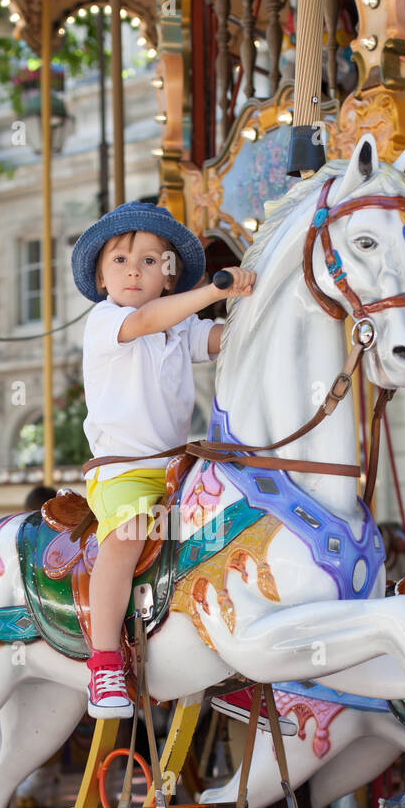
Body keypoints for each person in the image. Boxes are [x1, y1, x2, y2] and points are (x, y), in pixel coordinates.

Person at [71, 200, 255, 717]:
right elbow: (150, 319)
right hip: (122, 471)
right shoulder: (106, 321)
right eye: (121, 261)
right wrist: (216, 289)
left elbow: (224, 338)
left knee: (223, 538)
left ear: (168, 276)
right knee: (127, 537)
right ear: (102, 278)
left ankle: (231, 653)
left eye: (151, 261)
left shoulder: (179, 330)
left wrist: (262, 306)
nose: (135, 270)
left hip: (175, 473)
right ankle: (104, 661)